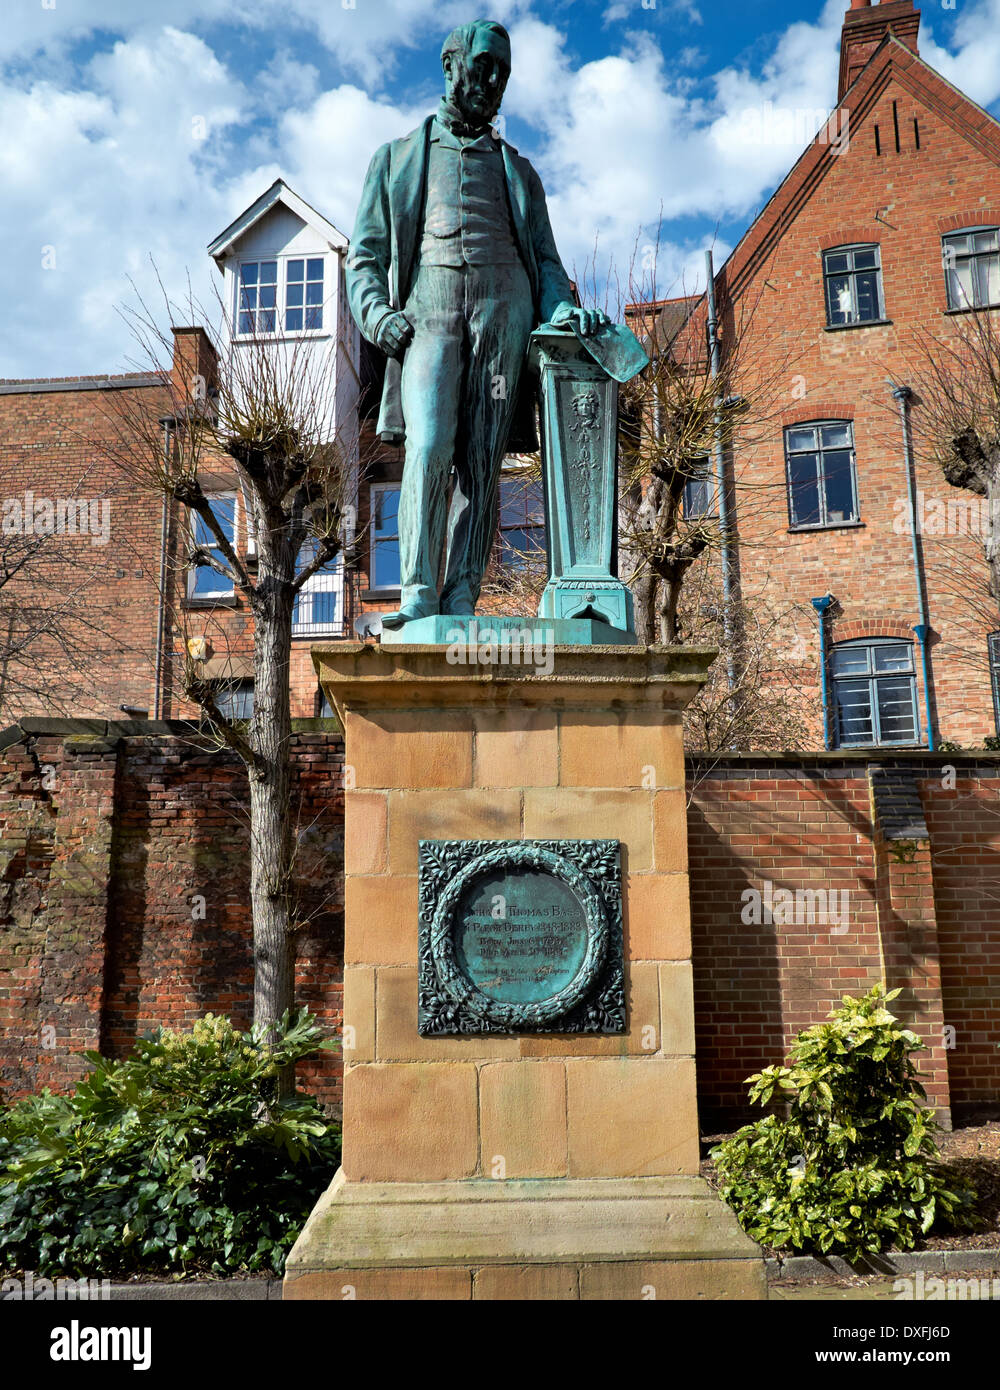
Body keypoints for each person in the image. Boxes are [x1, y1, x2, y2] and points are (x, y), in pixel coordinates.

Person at [346, 18, 609, 628]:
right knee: (430, 444)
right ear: (451, 64)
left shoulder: (521, 173)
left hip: (504, 310)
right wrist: (376, 315)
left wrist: (564, 309)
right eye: (483, 65)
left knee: (483, 460)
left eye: (503, 73)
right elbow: (363, 256)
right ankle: (417, 588)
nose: (492, 80)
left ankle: (463, 591)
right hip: (428, 308)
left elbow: (546, 262)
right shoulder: (396, 159)